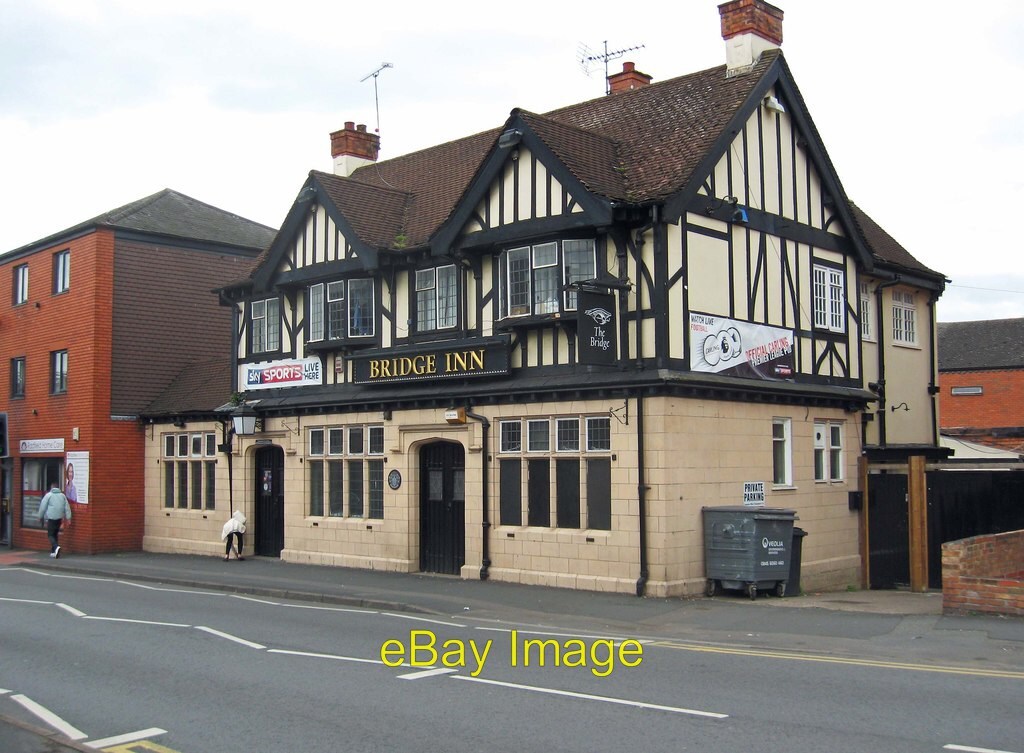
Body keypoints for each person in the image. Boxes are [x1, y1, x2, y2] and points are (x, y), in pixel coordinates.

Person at [38, 482, 71, 558]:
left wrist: (40, 516)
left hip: (51, 518)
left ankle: (56, 547)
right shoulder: (62, 496)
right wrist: (68, 518)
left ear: (51, 488)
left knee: (50, 534)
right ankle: (54, 552)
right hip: (59, 518)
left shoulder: (48, 495)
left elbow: (43, 507)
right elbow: (67, 507)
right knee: (55, 534)